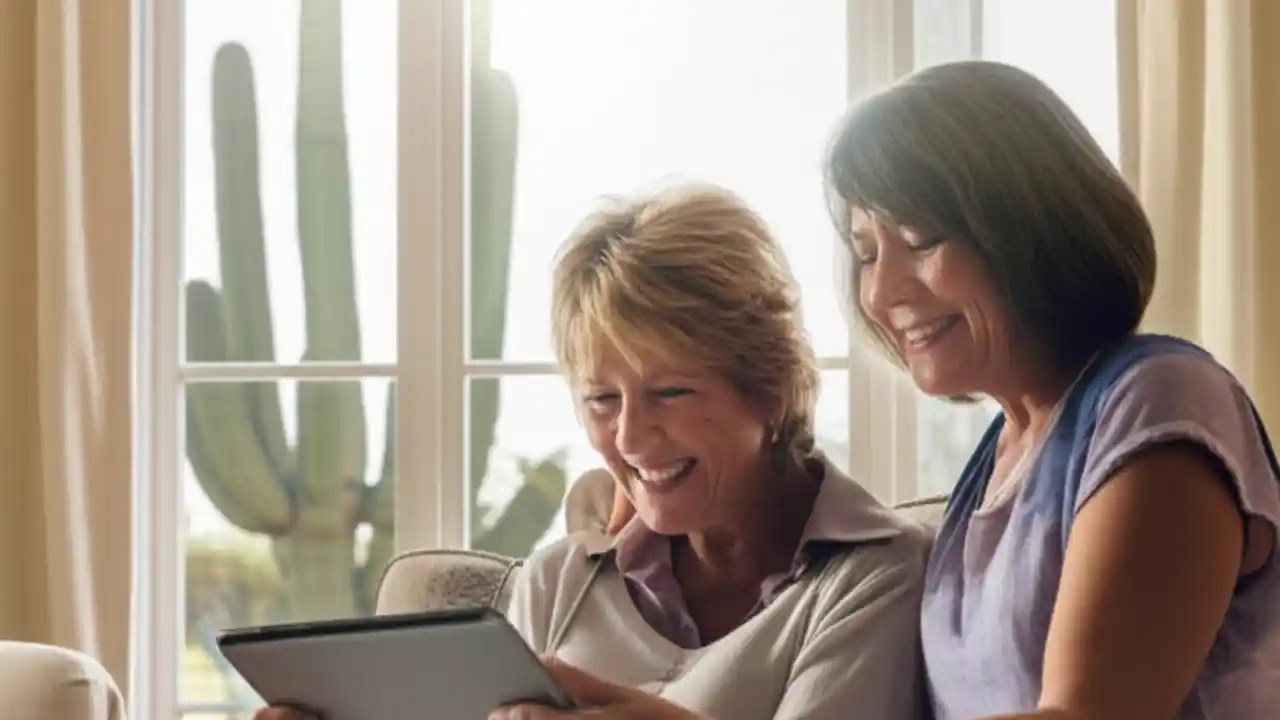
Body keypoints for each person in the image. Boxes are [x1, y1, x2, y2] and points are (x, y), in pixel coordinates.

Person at [566, 60, 1280, 720]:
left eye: (919, 241)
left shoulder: (1157, 400)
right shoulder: (998, 461)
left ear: (1029, 225)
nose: (883, 290)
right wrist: (641, 482)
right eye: (867, 252)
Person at [255, 183, 931, 720]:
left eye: (669, 392)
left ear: (772, 387)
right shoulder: (557, 583)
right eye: (601, 401)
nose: (631, 440)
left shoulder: (874, 574)